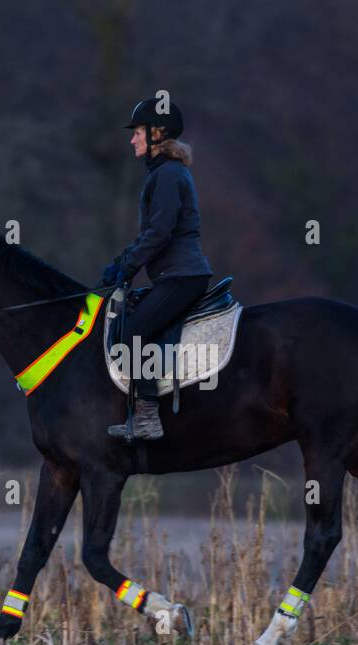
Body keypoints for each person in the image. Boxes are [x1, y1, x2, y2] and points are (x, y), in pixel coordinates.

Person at [102, 97, 214, 440]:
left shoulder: (167, 175)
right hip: (176, 275)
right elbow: (152, 234)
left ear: (157, 135)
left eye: (138, 132)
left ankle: (149, 417)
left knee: (133, 331)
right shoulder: (166, 173)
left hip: (182, 277)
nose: (132, 139)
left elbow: (160, 233)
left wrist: (127, 266)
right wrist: (123, 261)